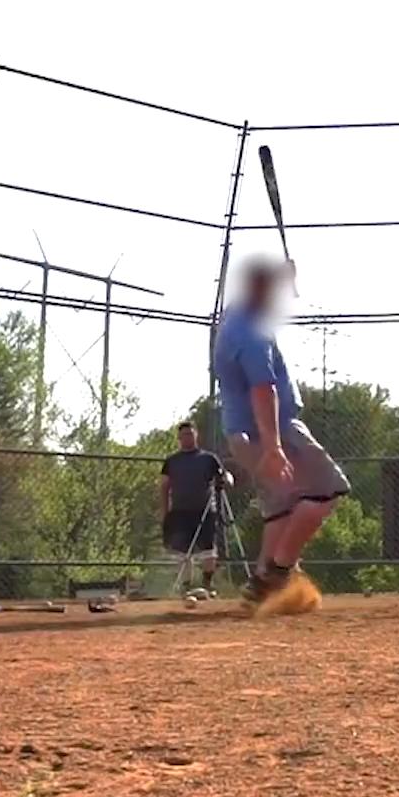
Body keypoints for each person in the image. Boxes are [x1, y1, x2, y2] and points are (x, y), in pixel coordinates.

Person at [212, 255, 348, 612]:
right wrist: (274, 446)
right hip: (273, 430)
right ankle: (279, 571)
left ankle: (261, 591)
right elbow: (263, 389)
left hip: (243, 437)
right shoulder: (251, 333)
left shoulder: (236, 318)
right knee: (325, 493)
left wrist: (281, 279)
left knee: (282, 510)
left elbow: (261, 299)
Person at [160, 420, 229, 594]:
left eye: (190, 434)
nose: (187, 438)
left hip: (205, 510)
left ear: (196, 435)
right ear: (178, 438)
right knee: (182, 552)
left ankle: (207, 584)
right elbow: (164, 486)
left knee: (208, 550)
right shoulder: (171, 461)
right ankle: (186, 587)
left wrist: (227, 480)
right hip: (180, 511)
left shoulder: (208, 458)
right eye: (183, 436)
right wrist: (164, 511)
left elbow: (224, 476)